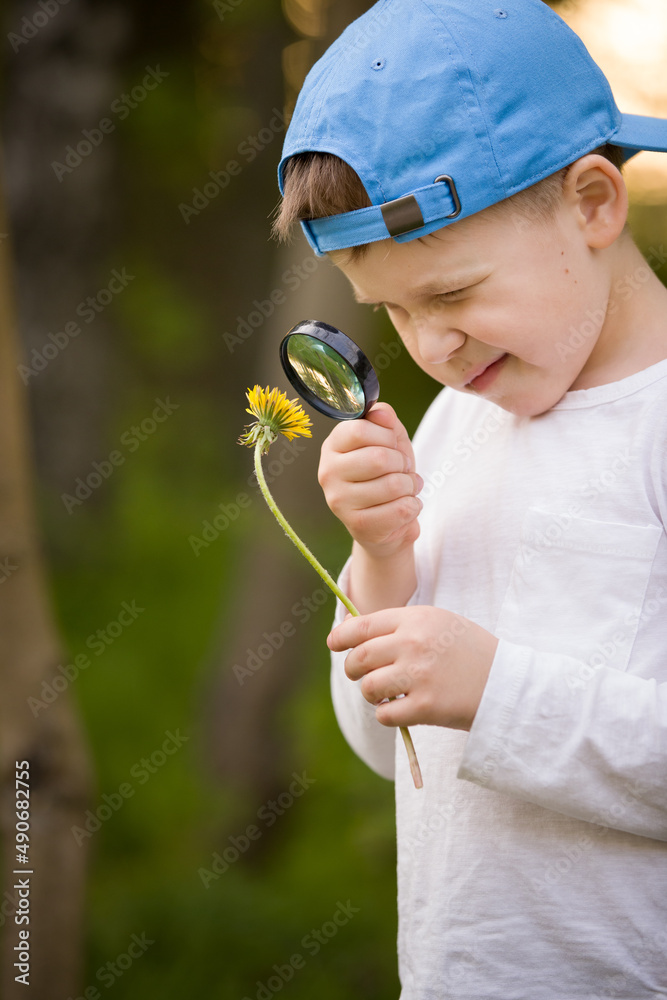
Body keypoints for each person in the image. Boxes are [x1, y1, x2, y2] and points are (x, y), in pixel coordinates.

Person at [272, 1, 667, 996]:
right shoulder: (458, 423)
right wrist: (382, 558)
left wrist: (496, 690)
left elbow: (479, 702)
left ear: (591, 204)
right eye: (392, 311)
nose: (429, 346)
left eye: (449, 294)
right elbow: (385, 749)